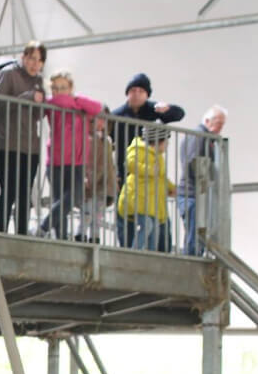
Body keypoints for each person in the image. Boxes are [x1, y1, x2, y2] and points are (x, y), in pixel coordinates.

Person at [110, 74, 184, 249]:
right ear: (127, 93)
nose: (136, 94)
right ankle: (128, 249)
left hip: (150, 176)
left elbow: (179, 114)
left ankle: (161, 249)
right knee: (127, 215)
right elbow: (106, 139)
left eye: (141, 91)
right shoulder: (117, 115)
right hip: (126, 174)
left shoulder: (153, 111)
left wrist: (167, 110)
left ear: (147, 95)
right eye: (133, 90)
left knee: (155, 216)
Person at [0, 42, 46, 235]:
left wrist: (41, 103)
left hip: (30, 147)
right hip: (6, 143)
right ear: (23, 57)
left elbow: (37, 115)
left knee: (24, 194)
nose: (33, 63)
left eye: (38, 60)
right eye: (30, 58)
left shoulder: (39, 83)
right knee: (9, 191)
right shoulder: (8, 74)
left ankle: (21, 234)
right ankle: (1, 232)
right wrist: (28, 97)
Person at [43, 71, 101, 241]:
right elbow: (60, 101)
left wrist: (76, 100)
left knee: (72, 197)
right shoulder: (52, 104)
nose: (59, 91)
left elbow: (97, 107)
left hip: (77, 161)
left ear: (71, 88)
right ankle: (59, 237)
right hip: (56, 160)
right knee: (60, 200)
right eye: (55, 88)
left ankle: (45, 226)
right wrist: (74, 102)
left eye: (63, 87)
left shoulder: (79, 105)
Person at [177, 105, 227, 256]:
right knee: (195, 234)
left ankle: (194, 257)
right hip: (193, 193)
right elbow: (193, 162)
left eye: (222, 124)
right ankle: (192, 260)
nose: (220, 127)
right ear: (207, 120)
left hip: (193, 193)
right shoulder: (199, 136)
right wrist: (206, 178)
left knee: (196, 233)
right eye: (218, 122)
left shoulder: (201, 137)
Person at [117, 125, 173, 251]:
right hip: (139, 199)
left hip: (151, 202)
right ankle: (135, 250)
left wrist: (172, 188)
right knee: (147, 225)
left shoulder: (158, 157)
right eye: (166, 141)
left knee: (155, 230)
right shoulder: (138, 149)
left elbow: (161, 177)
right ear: (159, 141)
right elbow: (131, 164)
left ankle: (150, 254)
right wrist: (150, 170)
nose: (167, 145)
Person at [83, 111, 119, 245]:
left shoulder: (107, 140)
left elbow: (110, 163)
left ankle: (95, 237)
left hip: (105, 183)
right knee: (87, 212)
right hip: (92, 181)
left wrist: (114, 179)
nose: (101, 123)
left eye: (104, 120)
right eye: (98, 120)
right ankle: (80, 234)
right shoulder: (88, 138)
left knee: (98, 214)